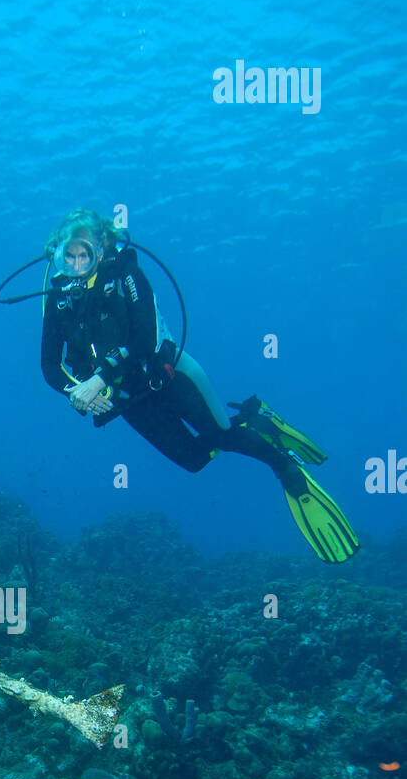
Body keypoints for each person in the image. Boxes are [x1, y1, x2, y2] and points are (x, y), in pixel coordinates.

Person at [40, 208, 359, 563]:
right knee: (194, 460)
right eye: (69, 255)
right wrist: (74, 393)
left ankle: (283, 466)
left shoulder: (127, 275)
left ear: (101, 249)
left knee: (223, 437)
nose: (77, 262)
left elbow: (144, 340)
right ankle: (253, 421)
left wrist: (97, 380)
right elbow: (49, 364)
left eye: (85, 253)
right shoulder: (59, 299)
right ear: (57, 254)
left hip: (170, 374)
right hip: (130, 398)